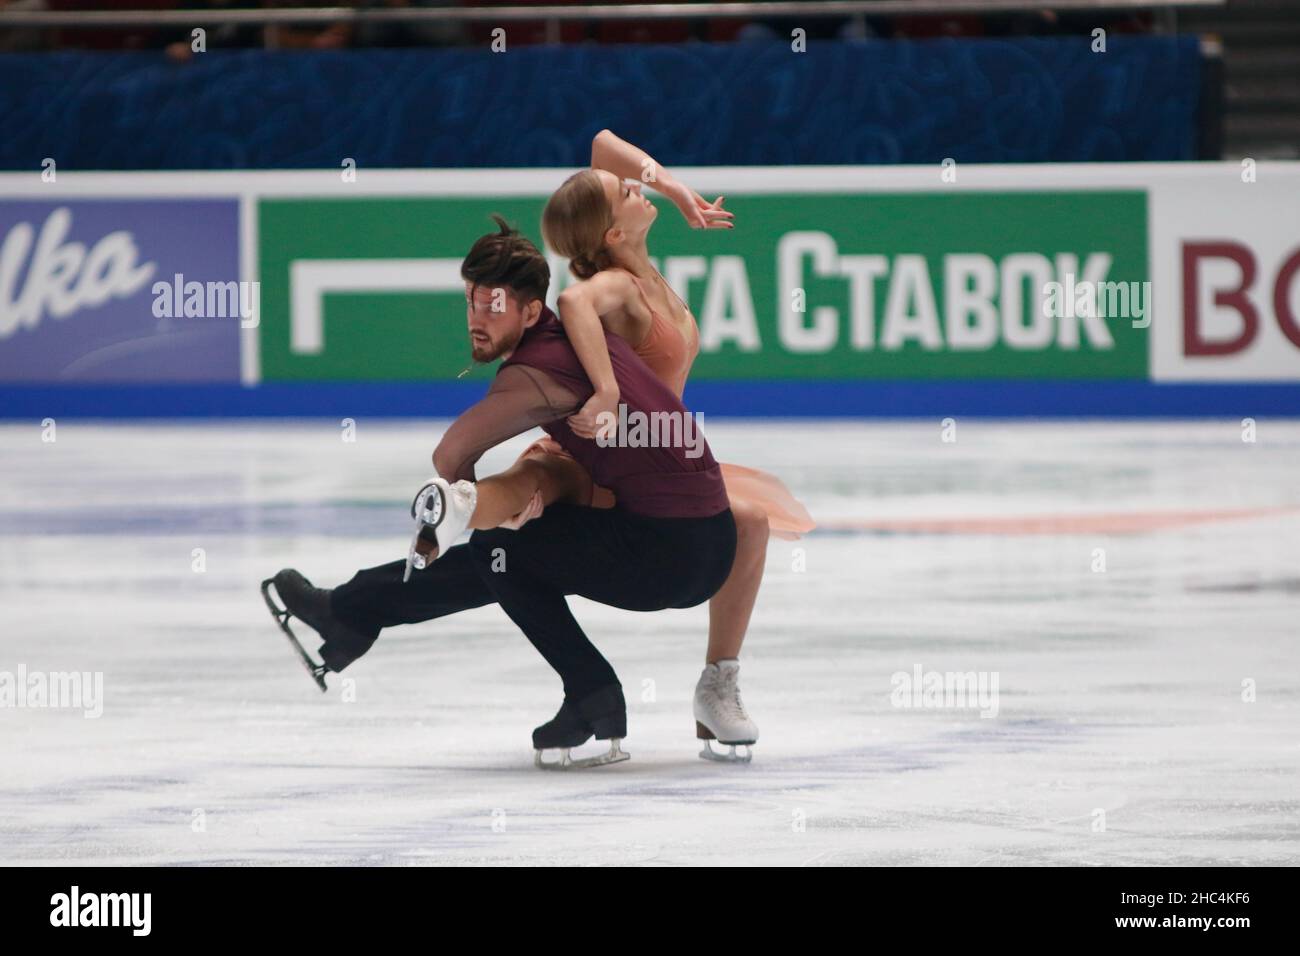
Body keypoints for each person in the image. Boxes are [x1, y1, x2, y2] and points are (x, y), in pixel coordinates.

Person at [264, 219, 737, 768]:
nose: (476, 320)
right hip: (704, 539)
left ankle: (591, 693)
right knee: (503, 549)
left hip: (670, 555)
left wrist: (456, 509)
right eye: (470, 302)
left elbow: (449, 454)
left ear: (531, 312)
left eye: (493, 305)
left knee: (501, 550)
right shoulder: (578, 339)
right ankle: (352, 610)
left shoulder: (535, 371)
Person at [454, 129, 815, 759]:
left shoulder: (634, 262)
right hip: (606, 454)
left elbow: (601, 146)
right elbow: (572, 300)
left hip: (655, 452)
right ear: (614, 235)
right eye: (630, 192)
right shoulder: (616, 284)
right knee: (498, 543)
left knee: (751, 523)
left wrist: (674, 191)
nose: (635, 185)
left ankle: (717, 685)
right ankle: (449, 506)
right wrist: (606, 392)